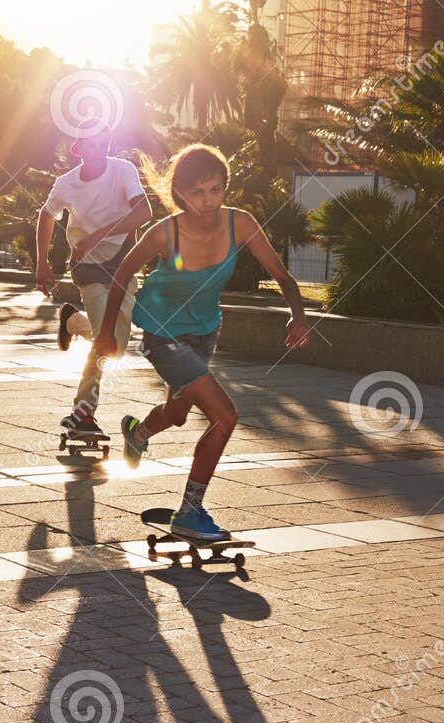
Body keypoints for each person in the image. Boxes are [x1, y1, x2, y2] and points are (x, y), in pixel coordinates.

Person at [93, 144, 310, 541]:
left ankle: (138, 432)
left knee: (176, 414)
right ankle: (190, 512)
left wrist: (298, 315)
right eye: (197, 192)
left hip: (205, 331)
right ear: (180, 193)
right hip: (164, 335)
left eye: (215, 189)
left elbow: (282, 275)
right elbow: (122, 273)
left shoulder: (239, 223)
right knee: (225, 416)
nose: (208, 201)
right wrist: (107, 331)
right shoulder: (166, 232)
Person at [35, 128, 151, 433]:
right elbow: (46, 215)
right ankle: (82, 412)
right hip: (88, 266)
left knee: (117, 347)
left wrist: (97, 235)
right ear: (79, 148)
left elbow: (144, 211)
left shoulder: (123, 170)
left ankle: (73, 322)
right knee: (104, 340)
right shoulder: (66, 183)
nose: (99, 149)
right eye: (92, 144)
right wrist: (41, 262)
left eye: (104, 143)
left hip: (123, 263)